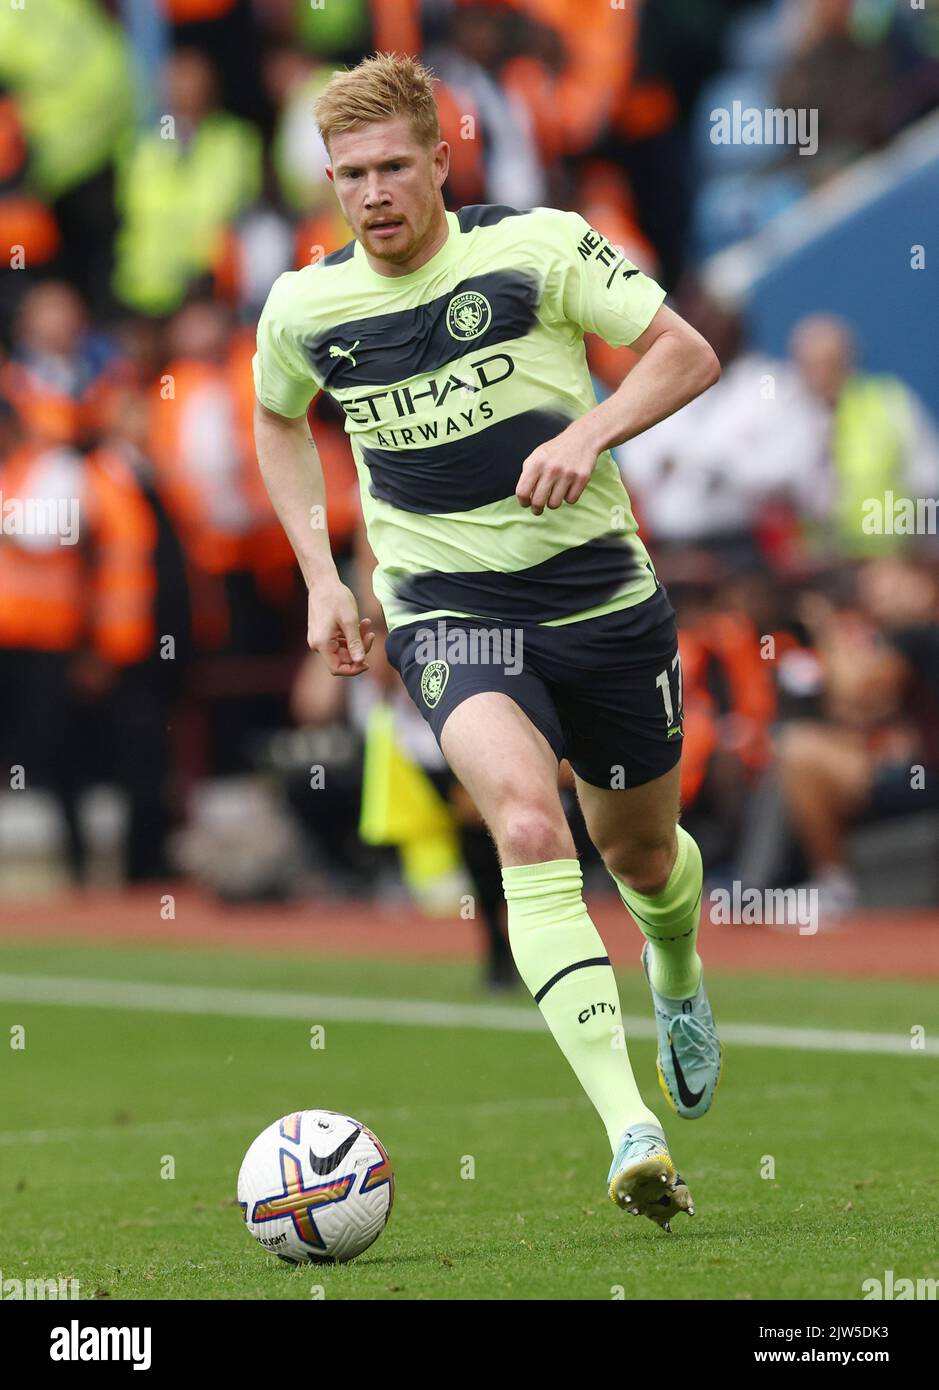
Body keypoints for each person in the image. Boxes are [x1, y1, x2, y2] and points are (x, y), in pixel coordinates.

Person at [252, 53, 722, 1232]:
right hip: (446, 607)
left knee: (645, 856)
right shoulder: (306, 307)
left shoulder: (537, 247)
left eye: (393, 167)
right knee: (522, 817)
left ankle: (676, 971)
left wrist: (595, 433)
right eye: (349, 174)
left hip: (604, 598)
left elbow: (685, 350)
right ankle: (630, 1128)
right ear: (328, 180)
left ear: (440, 160)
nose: (371, 193)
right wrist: (322, 575)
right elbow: (276, 418)